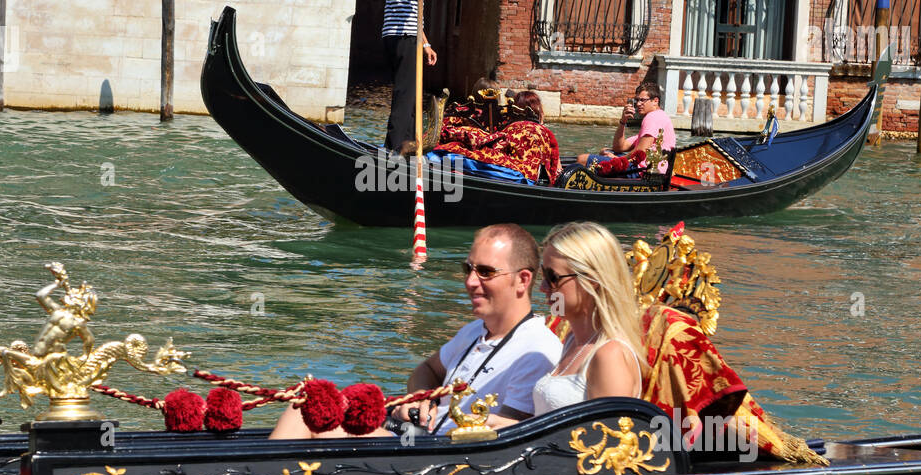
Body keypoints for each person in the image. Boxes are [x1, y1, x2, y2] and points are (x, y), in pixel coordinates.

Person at [270, 223, 562, 439]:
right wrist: (422, 398)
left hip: (436, 460)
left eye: (485, 272)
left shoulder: (536, 350)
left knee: (307, 414)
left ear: (523, 280)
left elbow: (502, 443)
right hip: (415, 439)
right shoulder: (475, 331)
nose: (471, 282)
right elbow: (426, 369)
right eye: (468, 269)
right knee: (310, 403)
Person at [487, 221, 645, 427]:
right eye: (543, 276)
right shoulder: (572, 340)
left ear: (592, 280)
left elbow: (606, 445)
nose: (543, 287)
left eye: (553, 278)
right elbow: (554, 428)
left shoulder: (609, 355)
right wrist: (497, 423)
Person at [372, 0, 449, 155]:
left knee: (413, 93)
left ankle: (408, 143)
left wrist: (426, 44)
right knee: (406, 92)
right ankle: (395, 147)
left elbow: (413, 15)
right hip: (400, 36)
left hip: (410, 36)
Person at [431, 90, 561, 184]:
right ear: (538, 109)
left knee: (480, 155)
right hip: (523, 171)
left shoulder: (508, 125)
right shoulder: (542, 131)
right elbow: (556, 170)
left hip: (496, 152)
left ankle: (442, 160)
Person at [577, 81, 676, 171]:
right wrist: (623, 121)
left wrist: (617, 159)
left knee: (582, 159)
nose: (638, 104)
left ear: (655, 101)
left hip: (643, 171)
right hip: (648, 168)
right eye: (637, 100)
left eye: (642, 100)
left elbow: (641, 151)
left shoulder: (653, 117)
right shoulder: (658, 117)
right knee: (605, 151)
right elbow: (618, 147)